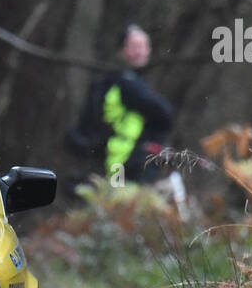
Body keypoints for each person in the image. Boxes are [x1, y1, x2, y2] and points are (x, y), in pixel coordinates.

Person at [66, 23, 174, 183]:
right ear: (122, 50)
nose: (140, 52)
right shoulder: (122, 83)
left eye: (144, 46)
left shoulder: (134, 82)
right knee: (119, 200)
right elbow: (165, 114)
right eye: (135, 46)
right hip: (121, 161)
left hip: (132, 161)